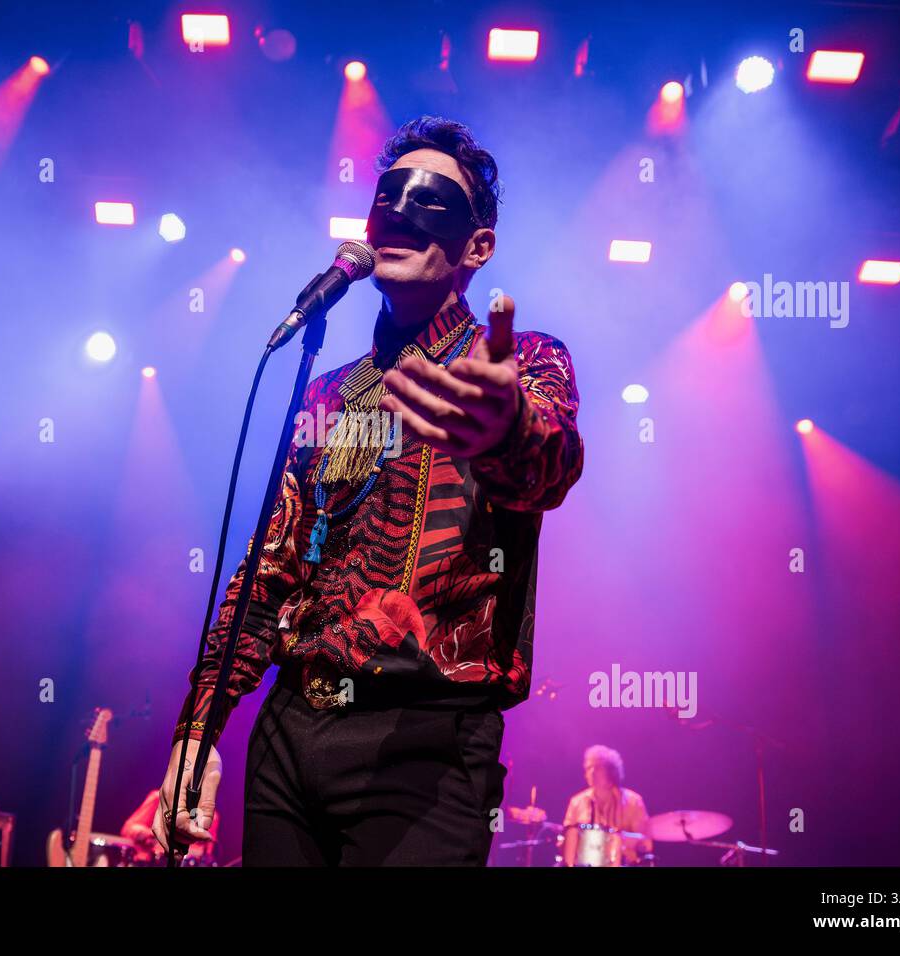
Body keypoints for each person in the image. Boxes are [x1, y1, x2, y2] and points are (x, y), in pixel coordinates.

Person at [156, 116, 584, 866]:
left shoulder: (521, 363)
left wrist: (505, 428)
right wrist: (197, 733)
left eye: (431, 201)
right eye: (387, 198)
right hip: (291, 732)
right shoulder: (327, 392)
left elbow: (551, 467)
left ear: (477, 246)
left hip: (425, 743)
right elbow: (268, 573)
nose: (398, 214)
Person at [561, 745, 653, 866]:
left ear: (611, 770)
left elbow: (646, 843)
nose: (592, 772)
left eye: (597, 767)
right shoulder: (576, 802)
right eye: (588, 768)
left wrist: (619, 838)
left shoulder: (633, 801)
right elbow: (566, 840)